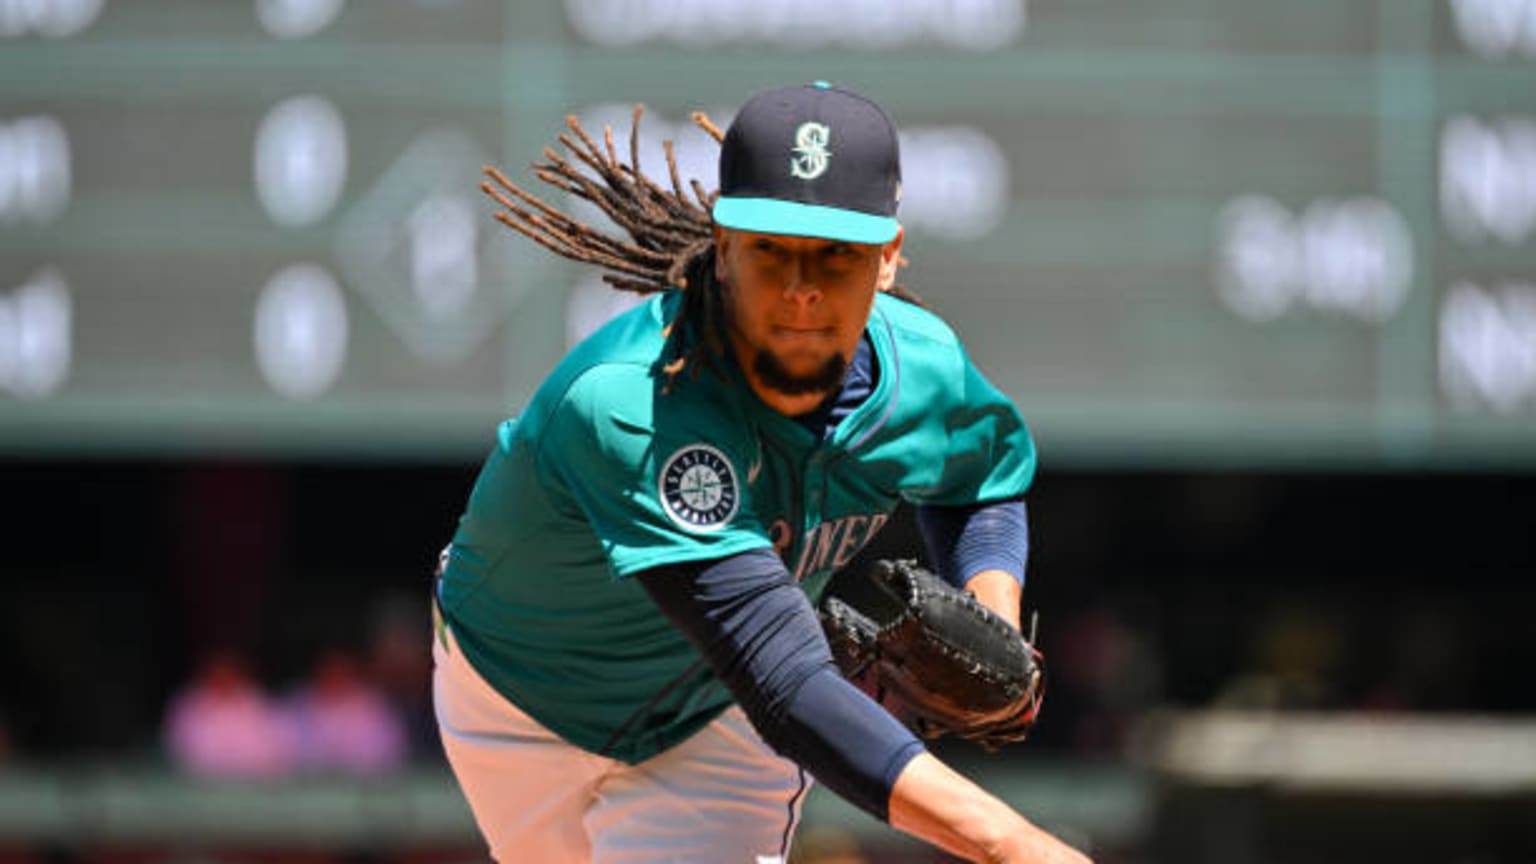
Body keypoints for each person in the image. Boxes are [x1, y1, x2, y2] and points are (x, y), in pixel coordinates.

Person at [433, 82, 1091, 864]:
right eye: (771, 247)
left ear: (888, 258)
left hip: (717, 720)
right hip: (516, 701)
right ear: (723, 244)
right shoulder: (636, 404)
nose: (801, 287)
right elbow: (783, 677)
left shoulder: (925, 372)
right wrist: (1013, 844)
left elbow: (979, 481)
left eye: (837, 253)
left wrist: (995, 616)